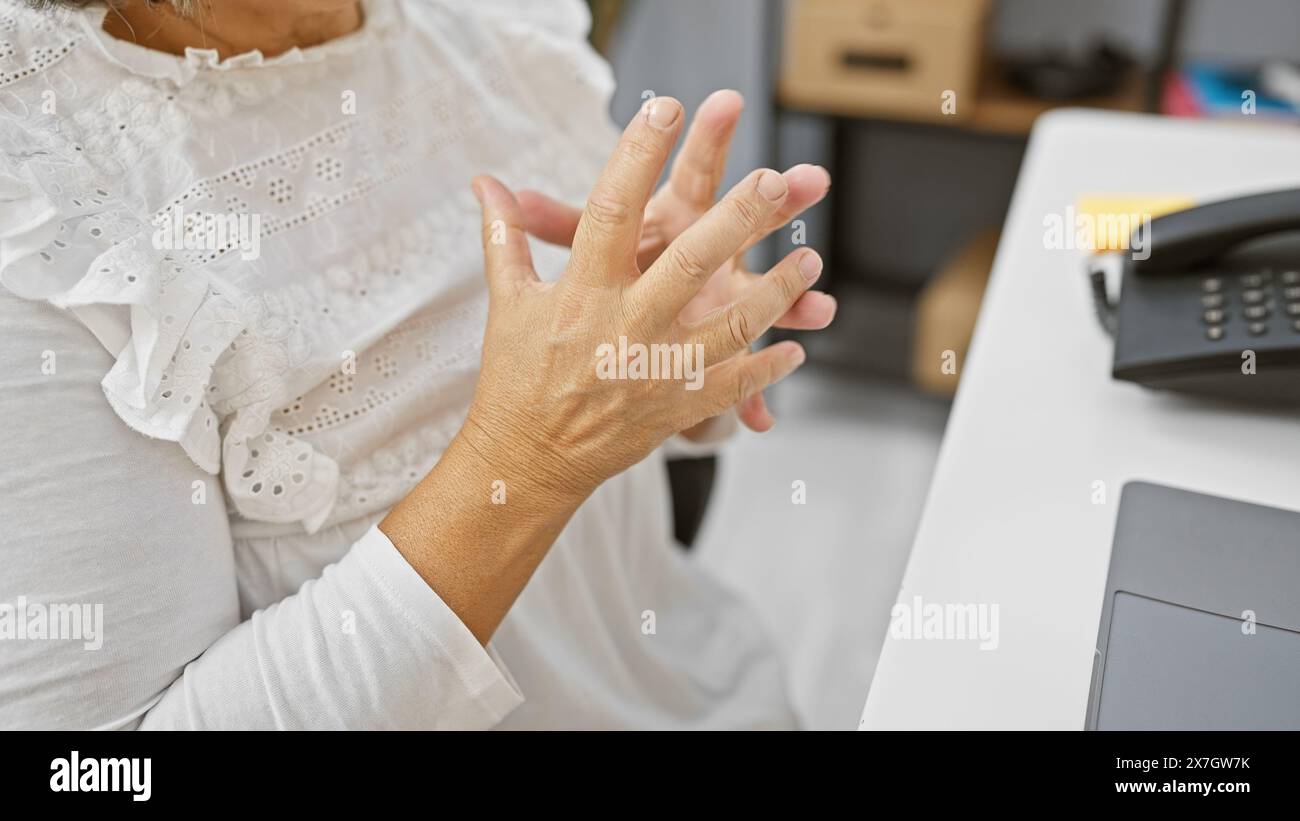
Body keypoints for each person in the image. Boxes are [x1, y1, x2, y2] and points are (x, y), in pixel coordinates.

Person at [0, 0, 835, 729]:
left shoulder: (488, 31)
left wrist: (674, 359)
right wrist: (526, 459)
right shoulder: (39, 198)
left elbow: (608, 501)